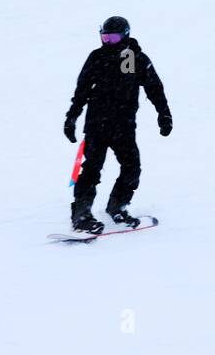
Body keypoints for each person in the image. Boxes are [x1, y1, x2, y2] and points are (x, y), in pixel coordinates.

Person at [65, 17, 172, 235]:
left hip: (123, 126)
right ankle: (81, 216)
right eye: (105, 37)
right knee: (92, 169)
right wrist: (72, 117)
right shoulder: (97, 57)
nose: (108, 42)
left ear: (125, 35)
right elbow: (82, 90)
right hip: (96, 124)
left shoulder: (134, 58)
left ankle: (117, 207)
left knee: (132, 168)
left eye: (113, 38)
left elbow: (154, 88)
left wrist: (164, 114)